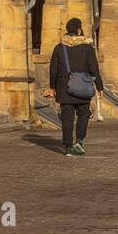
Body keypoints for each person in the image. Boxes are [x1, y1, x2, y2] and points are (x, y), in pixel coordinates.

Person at [45, 17, 103, 156]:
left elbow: (53, 70)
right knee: (84, 114)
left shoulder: (59, 48)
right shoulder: (87, 48)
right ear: (79, 30)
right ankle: (80, 142)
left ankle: (67, 146)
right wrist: (99, 86)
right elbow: (94, 69)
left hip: (64, 89)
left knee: (67, 118)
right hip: (83, 88)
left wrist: (52, 88)